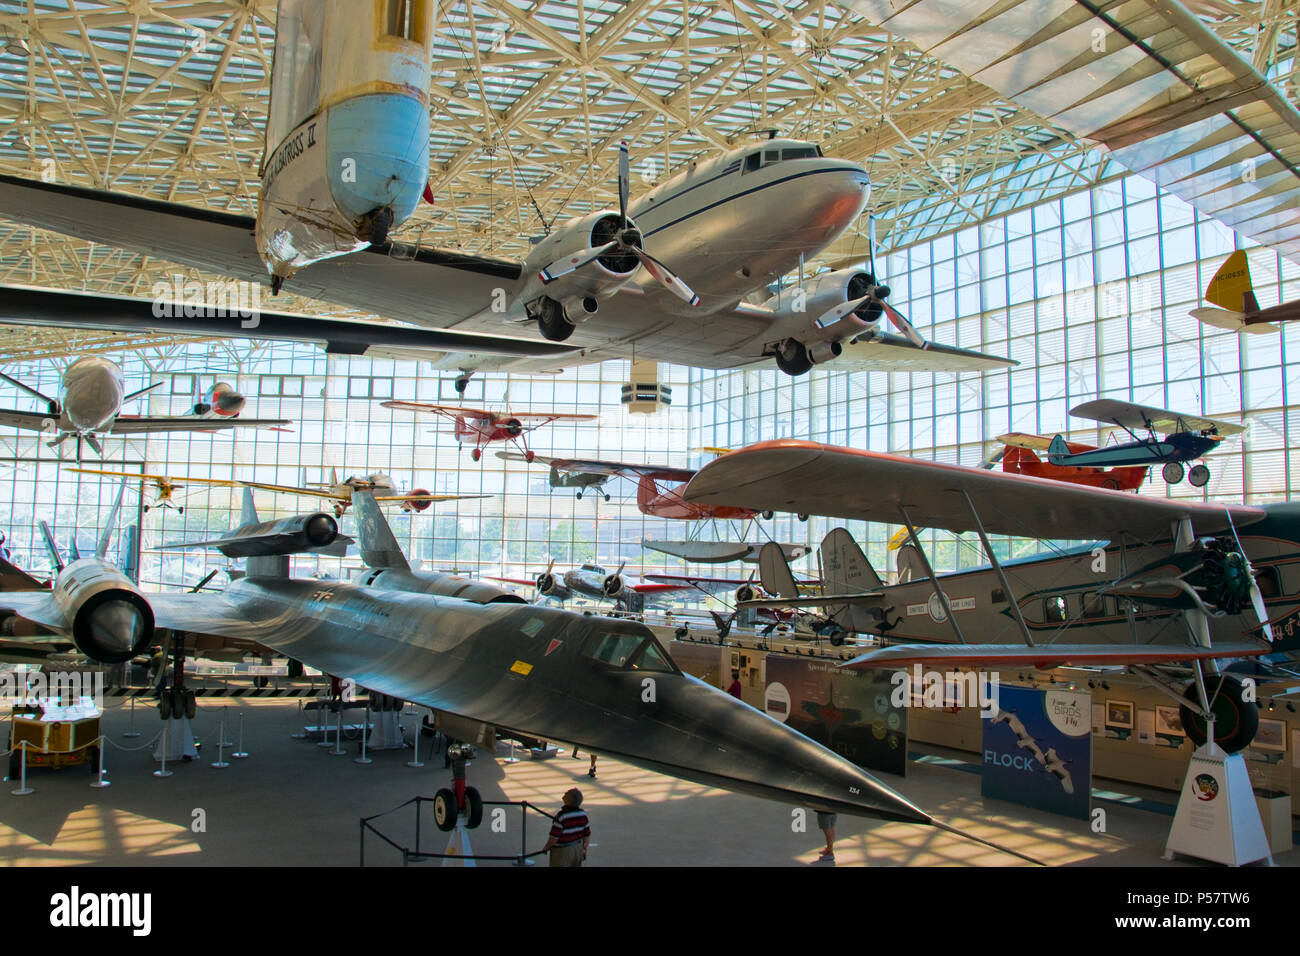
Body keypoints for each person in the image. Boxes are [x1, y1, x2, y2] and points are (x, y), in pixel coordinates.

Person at [542, 787, 590, 867]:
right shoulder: (583, 814)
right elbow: (587, 834)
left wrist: (546, 847)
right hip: (577, 849)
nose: (565, 793)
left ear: (569, 800)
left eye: (567, 793)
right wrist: (584, 849)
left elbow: (554, 837)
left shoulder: (562, 816)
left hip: (562, 851)